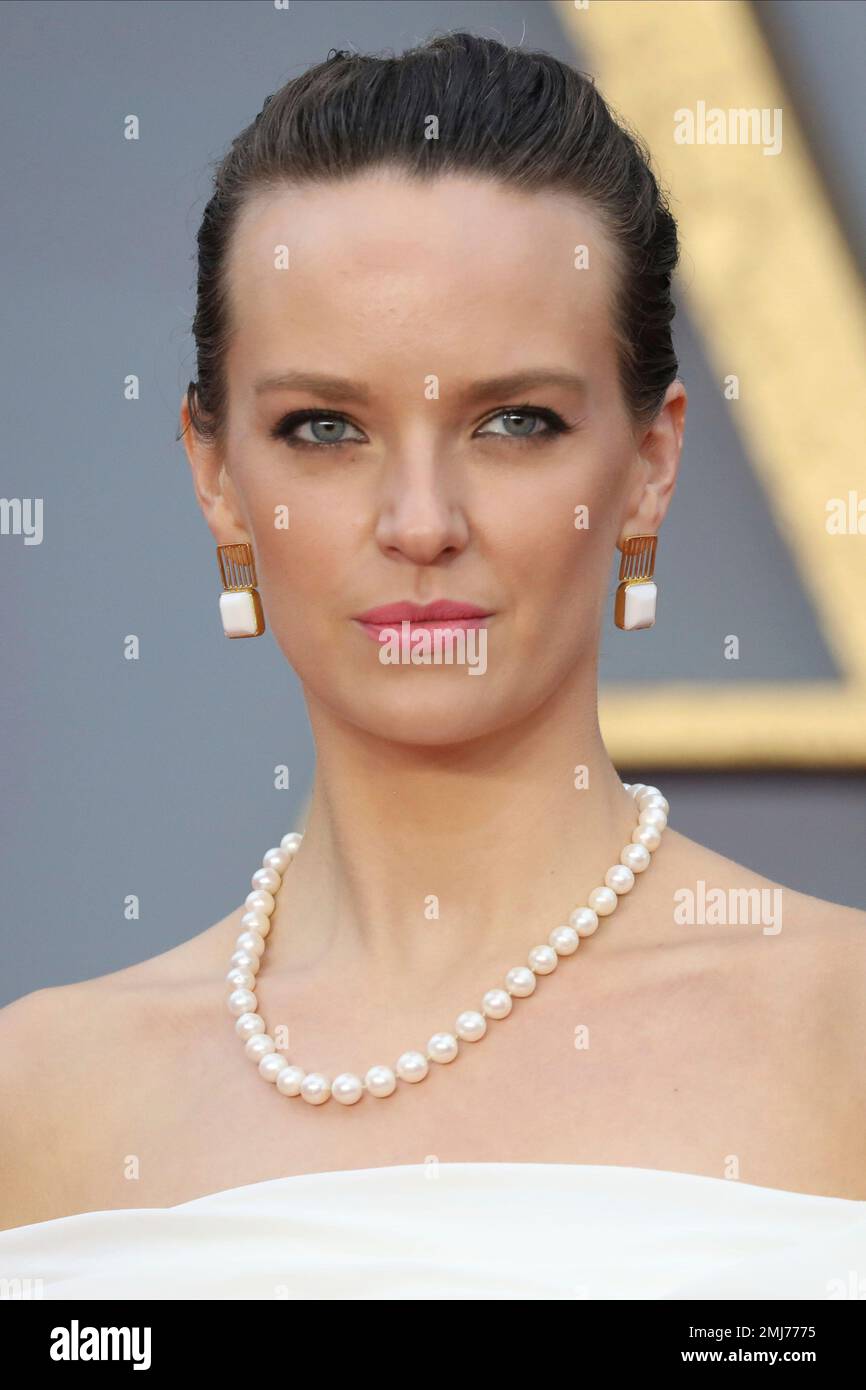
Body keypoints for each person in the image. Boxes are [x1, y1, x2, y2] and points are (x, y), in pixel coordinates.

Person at [1, 31, 864, 1300]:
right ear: (214, 474)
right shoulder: (44, 1093)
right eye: (324, 428)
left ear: (647, 463)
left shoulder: (840, 1033)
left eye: (513, 422)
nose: (418, 521)